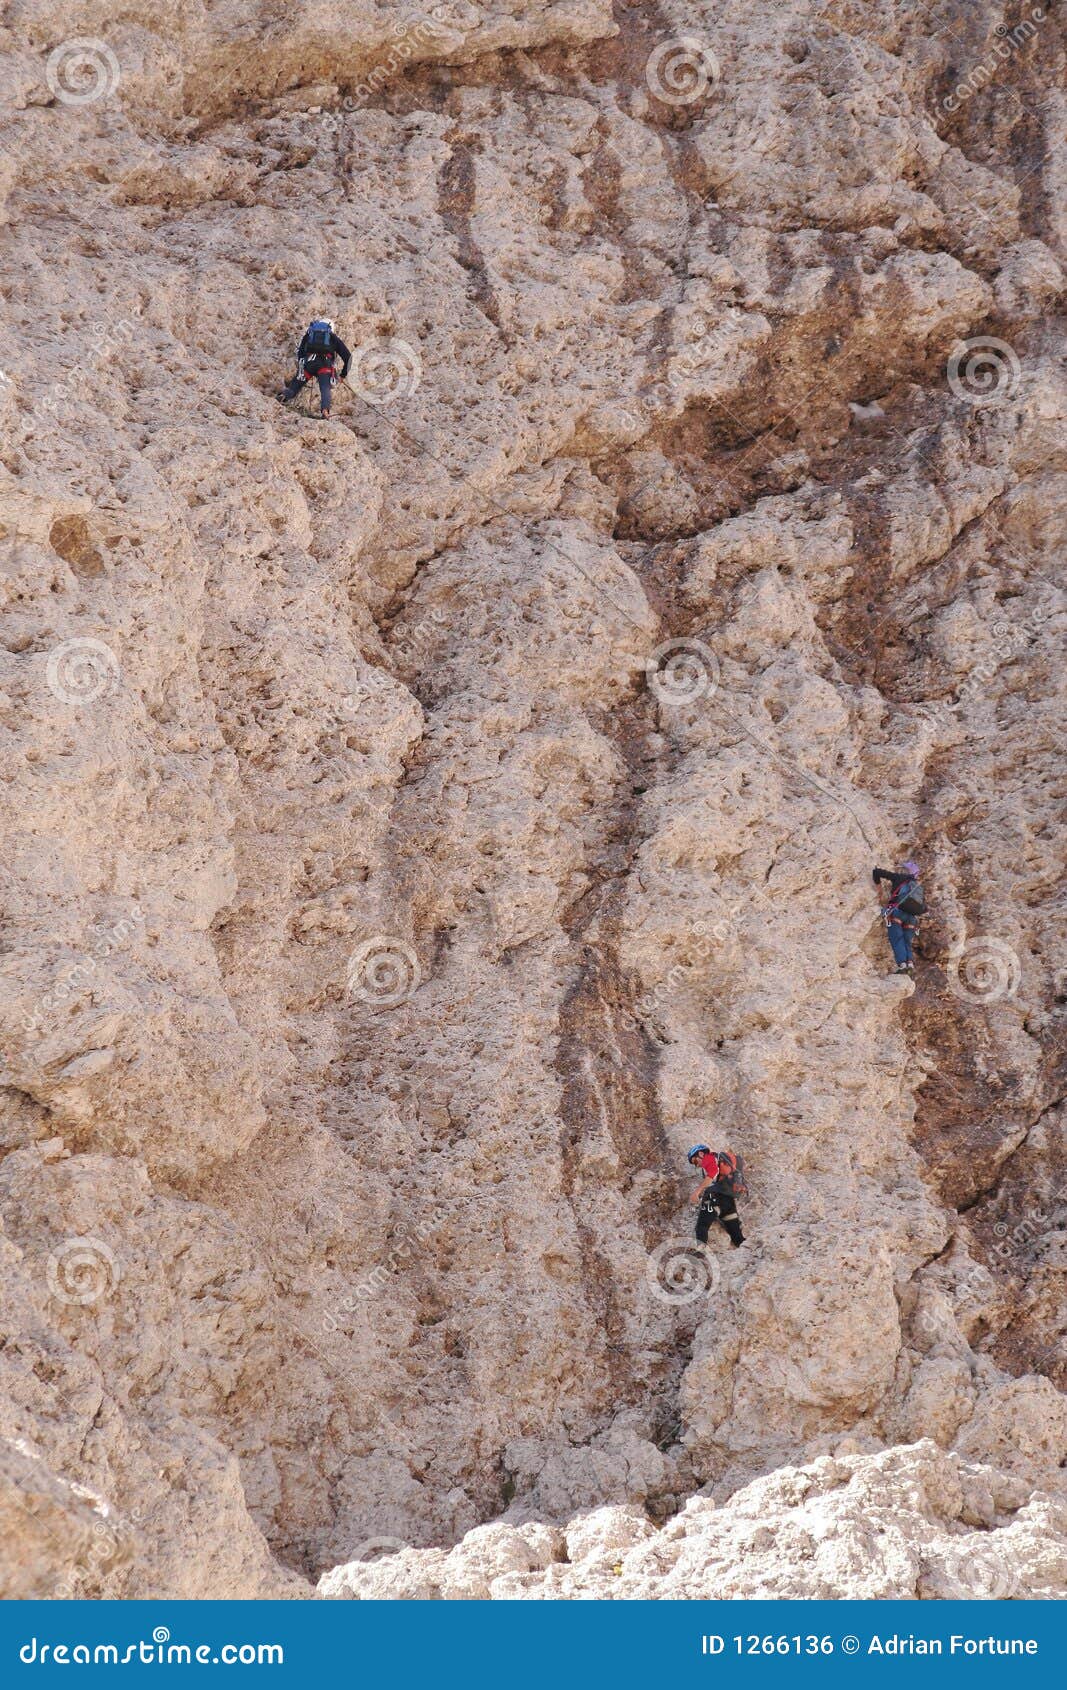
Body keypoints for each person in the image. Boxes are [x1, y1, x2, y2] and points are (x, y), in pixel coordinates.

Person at [278, 317, 351, 419]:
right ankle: (325, 412)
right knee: (325, 388)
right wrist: (343, 375)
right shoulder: (333, 337)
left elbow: (300, 352)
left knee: (295, 386)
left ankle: (284, 395)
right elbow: (348, 357)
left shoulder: (310, 334)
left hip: (308, 364)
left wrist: (302, 367)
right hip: (324, 367)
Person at [687, 1145, 745, 1248]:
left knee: (702, 1226)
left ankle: (700, 1253)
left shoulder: (708, 1158)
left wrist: (697, 1192)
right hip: (729, 1201)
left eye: (695, 1162)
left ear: (701, 1154)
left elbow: (713, 1172)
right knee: (738, 1238)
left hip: (716, 1199)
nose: (697, 1166)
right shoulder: (720, 1160)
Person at [873, 859, 923, 975]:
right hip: (912, 918)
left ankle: (902, 965)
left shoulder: (899, 878)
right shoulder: (918, 887)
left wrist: (879, 890)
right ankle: (910, 963)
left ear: (905, 871)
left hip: (896, 912)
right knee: (906, 941)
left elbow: (876, 872)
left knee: (897, 939)